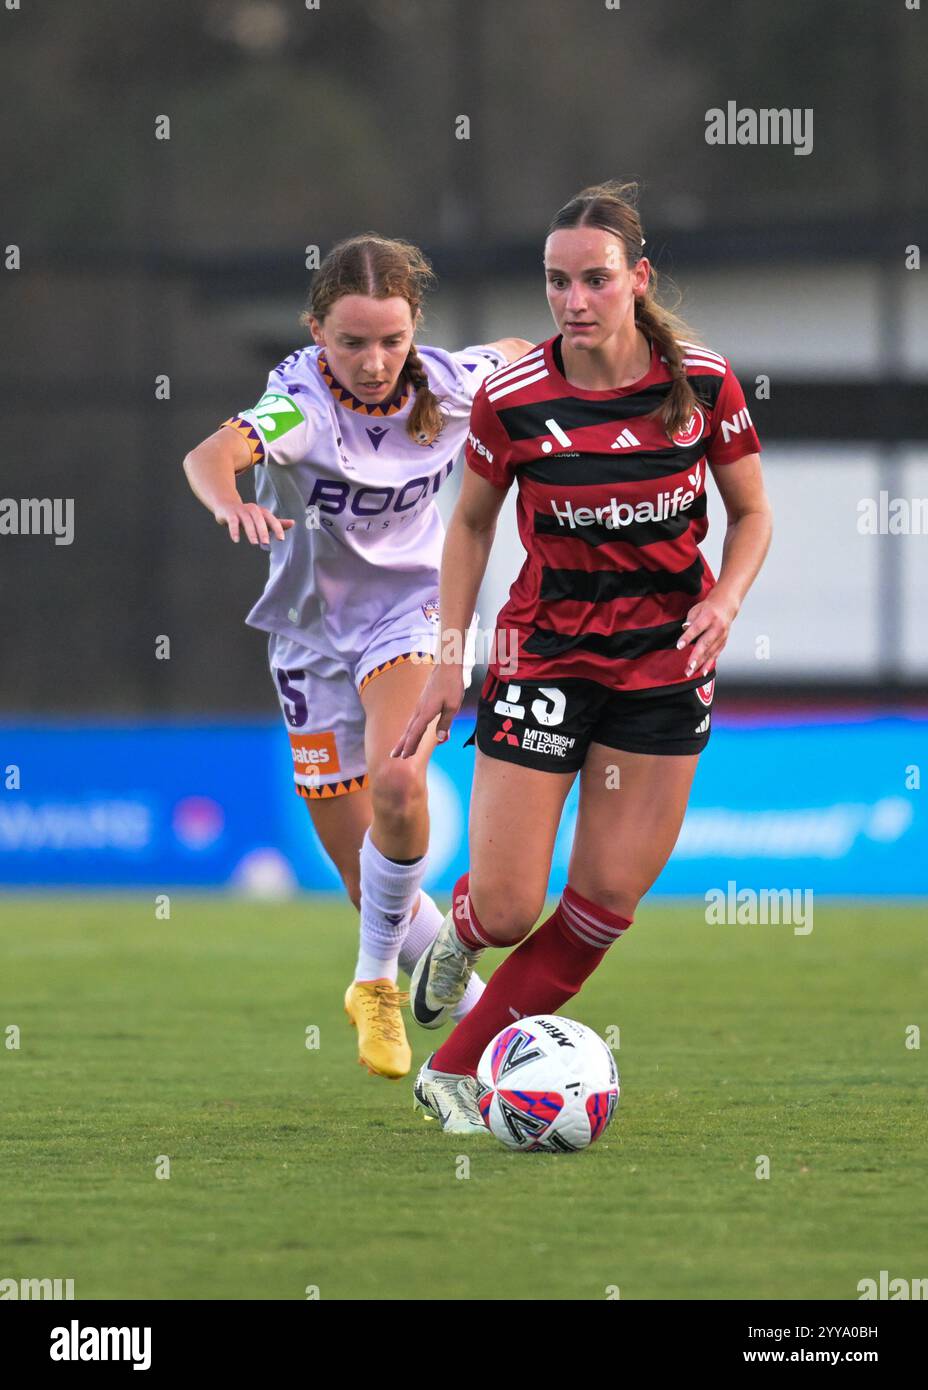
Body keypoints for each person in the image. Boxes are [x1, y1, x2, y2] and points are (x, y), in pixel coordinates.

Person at [392, 181, 773, 1133]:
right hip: (545, 658)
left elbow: (754, 512)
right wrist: (452, 655)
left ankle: (453, 1069)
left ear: (637, 280)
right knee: (515, 905)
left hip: (666, 669)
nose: (572, 301)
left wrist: (726, 599)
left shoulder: (706, 385)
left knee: (604, 902)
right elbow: (471, 527)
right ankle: (465, 932)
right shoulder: (513, 400)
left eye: (594, 281)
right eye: (557, 282)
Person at [183, 233, 531, 1081]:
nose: (374, 362)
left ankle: (378, 983)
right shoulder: (298, 404)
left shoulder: (454, 384)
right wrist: (231, 500)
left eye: (391, 340)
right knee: (368, 882)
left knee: (402, 784)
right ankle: (499, 1033)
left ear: (416, 328)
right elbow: (209, 454)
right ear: (314, 332)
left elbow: (525, 354)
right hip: (308, 644)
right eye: (351, 342)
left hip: (409, 619)